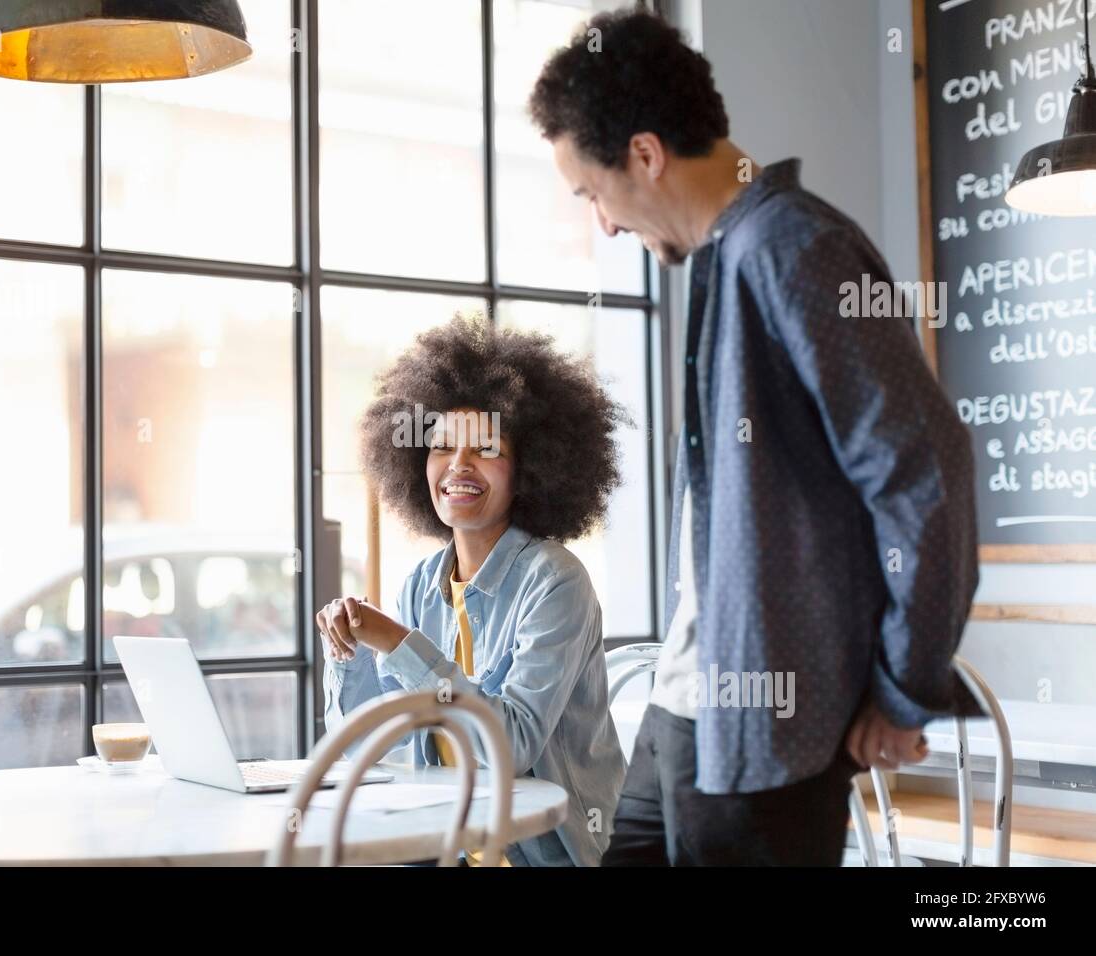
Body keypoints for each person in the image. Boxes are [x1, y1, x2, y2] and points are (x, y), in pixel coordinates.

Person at [528, 9, 981, 865]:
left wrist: (904, 688)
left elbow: (928, 474)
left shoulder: (794, 249)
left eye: (593, 192)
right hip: (683, 711)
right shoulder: (730, 255)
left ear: (647, 155)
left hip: (762, 742)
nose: (606, 225)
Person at [317, 317, 628, 866]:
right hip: (443, 850)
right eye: (441, 448)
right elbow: (370, 746)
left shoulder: (555, 580)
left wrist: (399, 644)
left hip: (547, 856)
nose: (458, 466)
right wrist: (347, 653)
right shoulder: (421, 584)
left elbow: (511, 747)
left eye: (484, 450)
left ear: (529, 468)